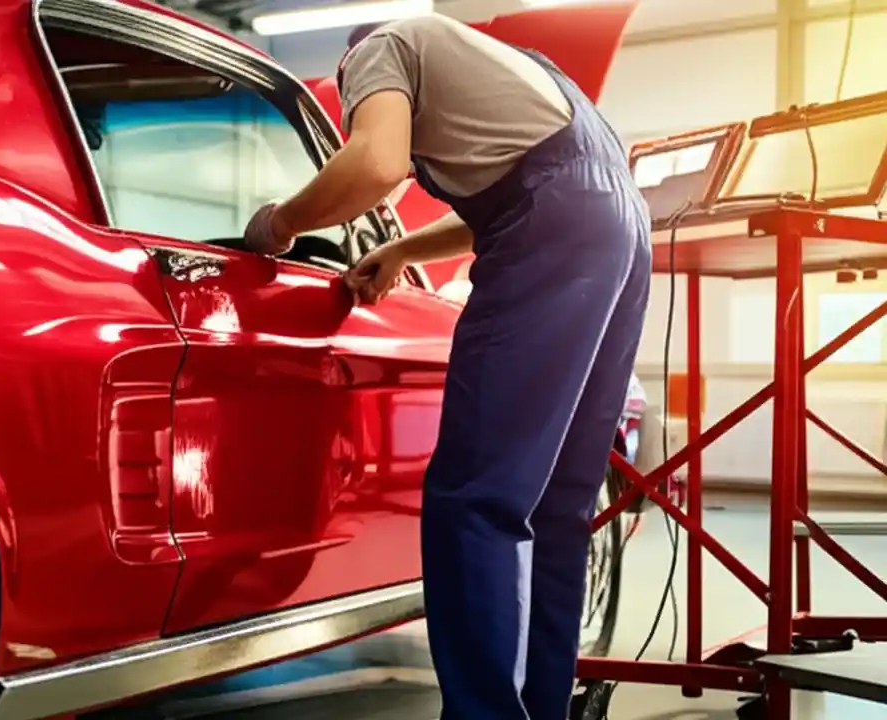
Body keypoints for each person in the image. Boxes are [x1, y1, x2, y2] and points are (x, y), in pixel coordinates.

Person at [242, 14, 652, 720]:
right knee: (556, 507)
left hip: (556, 223)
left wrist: (280, 224)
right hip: (619, 225)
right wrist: (401, 253)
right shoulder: (511, 68)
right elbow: (525, 185)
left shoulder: (380, 50)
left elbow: (375, 165)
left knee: (475, 499)